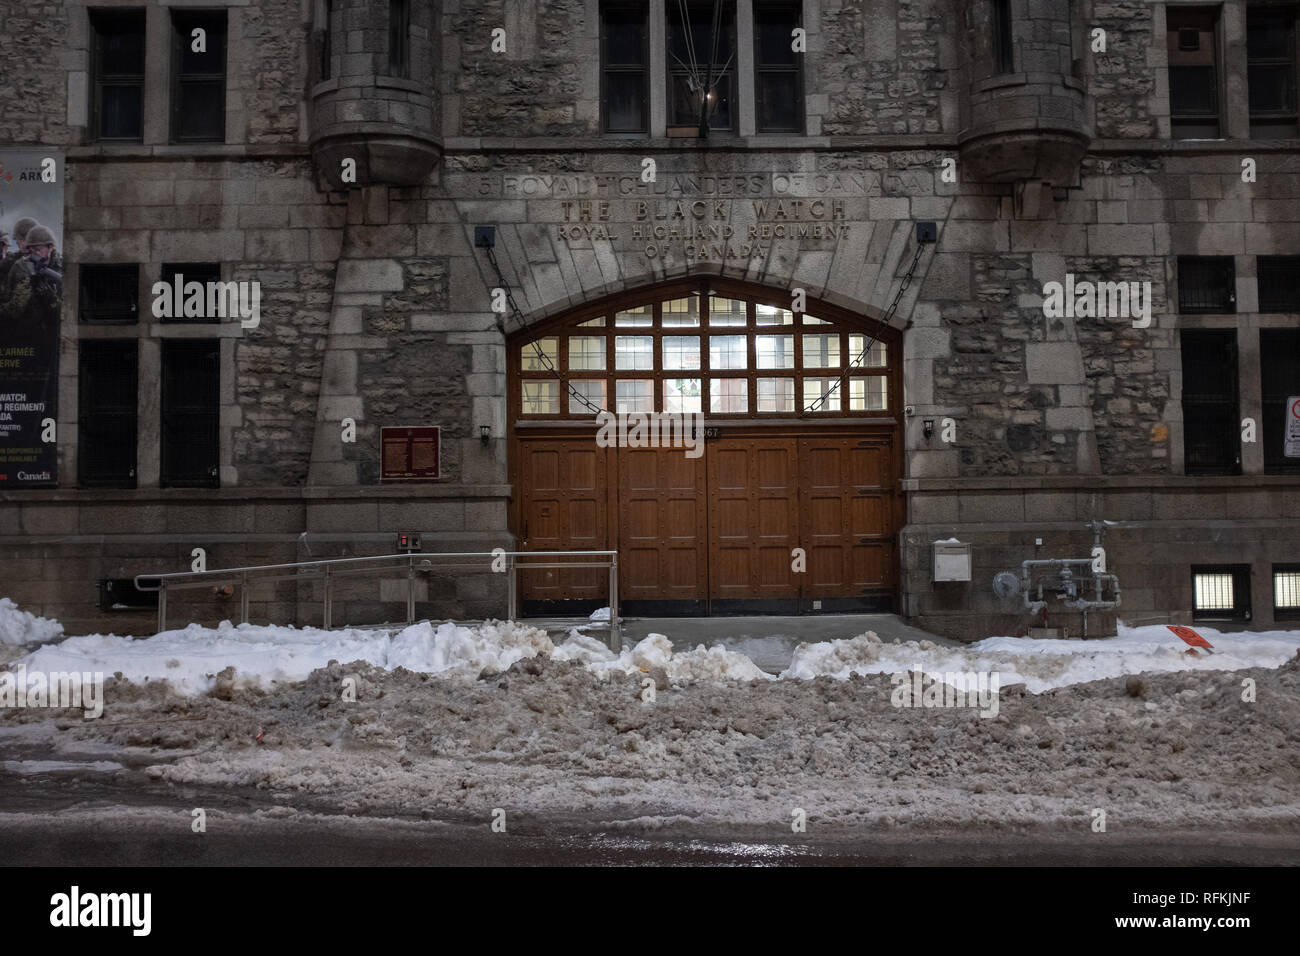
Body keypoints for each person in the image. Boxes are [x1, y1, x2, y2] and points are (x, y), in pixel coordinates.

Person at [0, 223, 63, 347]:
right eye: (31, 250)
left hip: (53, 337)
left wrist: (51, 299)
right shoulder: (21, 266)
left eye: (38, 250)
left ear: (50, 247)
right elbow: (13, 306)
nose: (35, 255)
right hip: (26, 334)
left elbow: (68, 313)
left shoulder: (62, 268)